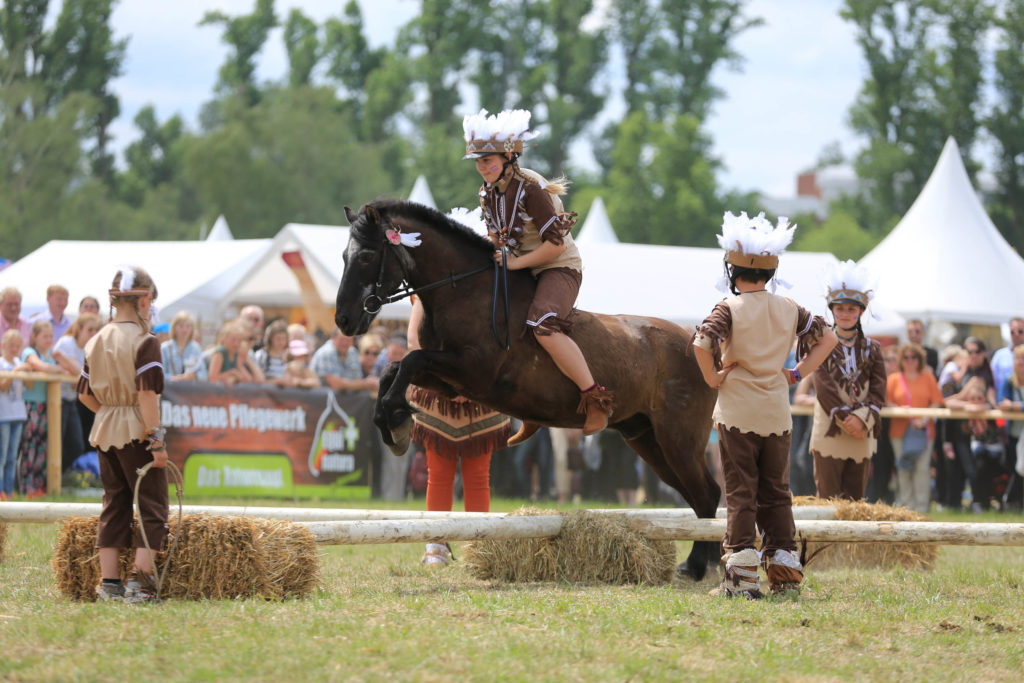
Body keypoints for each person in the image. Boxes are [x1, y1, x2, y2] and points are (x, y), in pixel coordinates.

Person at [692, 211, 836, 598]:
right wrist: (796, 372)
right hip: (777, 412)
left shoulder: (728, 307)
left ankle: (741, 580)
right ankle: (785, 576)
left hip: (737, 413)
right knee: (776, 493)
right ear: (769, 273)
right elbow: (828, 339)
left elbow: (701, 343)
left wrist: (712, 378)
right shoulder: (790, 307)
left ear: (732, 270)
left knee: (741, 494)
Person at [462, 108, 612, 444]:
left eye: (489, 160)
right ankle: (531, 412)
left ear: (509, 157)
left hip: (559, 267)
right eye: (478, 161)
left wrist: (513, 265)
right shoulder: (487, 194)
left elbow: (555, 247)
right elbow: (497, 237)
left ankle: (596, 399)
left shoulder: (532, 189)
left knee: (542, 325)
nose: (483, 167)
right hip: (525, 265)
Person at [77, 266, 167, 603]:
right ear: (144, 299)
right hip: (137, 430)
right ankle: (140, 585)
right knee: (152, 505)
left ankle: (109, 584)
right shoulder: (145, 342)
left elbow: (84, 393)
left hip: (105, 429)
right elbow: (146, 394)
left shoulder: (96, 339)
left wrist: (110, 414)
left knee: (113, 504)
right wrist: (156, 440)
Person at [406, 298, 511, 565]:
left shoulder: (488, 289)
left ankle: (477, 549)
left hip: (480, 392)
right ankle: (438, 547)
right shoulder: (426, 294)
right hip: (440, 392)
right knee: (441, 474)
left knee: (475, 476)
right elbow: (413, 343)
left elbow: (501, 343)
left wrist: (469, 385)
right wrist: (446, 386)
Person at [809, 260, 887, 501]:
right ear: (832, 310)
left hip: (861, 430)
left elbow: (879, 388)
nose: (845, 314)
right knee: (828, 499)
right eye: (840, 309)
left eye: (851, 310)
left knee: (855, 501)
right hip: (831, 427)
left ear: (861, 312)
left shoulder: (873, 348)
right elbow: (823, 387)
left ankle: (852, 542)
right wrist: (845, 418)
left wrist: (862, 420)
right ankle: (827, 542)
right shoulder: (820, 343)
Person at [886, 343, 944, 513]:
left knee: (922, 469)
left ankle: (921, 509)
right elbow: (887, 401)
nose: (910, 361)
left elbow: (936, 401)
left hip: (924, 432)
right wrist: (899, 410)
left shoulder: (928, 378)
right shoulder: (894, 378)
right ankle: (906, 508)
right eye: (906, 357)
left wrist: (924, 419)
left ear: (920, 360)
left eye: (914, 357)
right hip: (899, 431)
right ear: (900, 360)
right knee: (903, 468)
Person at [940, 336, 996, 510]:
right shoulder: (958, 372)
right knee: (958, 470)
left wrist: (980, 405)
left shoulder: (985, 375)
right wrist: (968, 404)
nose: (972, 355)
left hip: (980, 432)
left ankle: (980, 503)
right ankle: (956, 504)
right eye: (968, 351)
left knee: (977, 469)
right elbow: (948, 400)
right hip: (957, 429)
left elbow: (992, 402)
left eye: (976, 351)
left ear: (983, 353)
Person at [18, 320, 65, 496]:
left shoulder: (52, 354)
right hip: (31, 406)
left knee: (44, 447)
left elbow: (73, 369)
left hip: (48, 406)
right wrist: (58, 368)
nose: (48, 339)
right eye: (44, 336)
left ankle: (40, 488)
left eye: (50, 336)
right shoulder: (29, 352)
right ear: (34, 337)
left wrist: (61, 363)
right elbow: (41, 366)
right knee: (30, 446)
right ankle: (27, 488)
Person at [52, 313, 101, 472]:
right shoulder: (67, 342)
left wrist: (71, 367)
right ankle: (51, 481)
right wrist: (76, 372)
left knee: (76, 446)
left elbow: (81, 377)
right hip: (56, 400)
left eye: (96, 330)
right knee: (55, 443)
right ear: (79, 330)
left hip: (70, 399)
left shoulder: (88, 350)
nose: (94, 333)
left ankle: (60, 477)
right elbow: (83, 377)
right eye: (90, 329)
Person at [865, 345, 898, 504]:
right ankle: (875, 499)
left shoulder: (901, 379)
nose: (889, 363)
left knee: (895, 464)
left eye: (893, 360)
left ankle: (889, 498)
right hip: (879, 428)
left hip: (899, 428)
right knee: (879, 465)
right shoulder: (876, 378)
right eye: (886, 360)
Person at [0, 330, 29, 499]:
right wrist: (18, 370)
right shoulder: (2, 363)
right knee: (2, 457)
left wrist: (28, 370)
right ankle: (2, 491)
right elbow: (3, 386)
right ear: (3, 345)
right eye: (11, 345)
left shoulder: (19, 361)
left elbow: (30, 384)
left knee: (12, 457)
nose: (14, 349)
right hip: (3, 416)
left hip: (18, 414)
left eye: (17, 346)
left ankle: (9, 493)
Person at [997, 345, 1024, 511]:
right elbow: (1001, 402)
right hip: (1013, 434)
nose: (1020, 362)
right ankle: (1014, 503)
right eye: (1018, 358)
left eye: (1023, 358)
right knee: (1016, 468)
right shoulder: (1008, 381)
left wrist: (1014, 405)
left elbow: (1008, 404)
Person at [311, 328, 378, 393]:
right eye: (342, 339)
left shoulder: (352, 352)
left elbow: (357, 379)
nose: (345, 343)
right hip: (320, 401)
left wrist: (366, 383)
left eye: (348, 339)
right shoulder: (326, 352)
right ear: (333, 338)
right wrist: (364, 384)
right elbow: (335, 384)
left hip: (343, 401)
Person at [208, 320, 264, 386]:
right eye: (233, 340)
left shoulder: (237, 354)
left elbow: (247, 379)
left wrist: (234, 377)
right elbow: (213, 378)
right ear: (223, 339)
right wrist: (232, 373)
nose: (236, 343)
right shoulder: (220, 353)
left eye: (239, 340)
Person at [161, 311, 207, 382]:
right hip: (170, 391)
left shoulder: (196, 348)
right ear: (174, 328)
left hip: (189, 391)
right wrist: (178, 378)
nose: (184, 330)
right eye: (181, 326)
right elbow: (159, 375)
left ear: (192, 329)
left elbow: (203, 375)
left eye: (188, 326)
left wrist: (193, 376)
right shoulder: (165, 348)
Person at [992, 317, 1024, 402]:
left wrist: (1017, 406)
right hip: (1005, 403)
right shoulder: (1000, 355)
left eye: (1020, 331)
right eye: (1012, 332)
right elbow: (993, 382)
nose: (1016, 334)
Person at [254, 320, 290, 384]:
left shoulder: (289, 356)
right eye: (278, 338)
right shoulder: (261, 356)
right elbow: (257, 380)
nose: (281, 342)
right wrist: (278, 381)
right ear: (271, 339)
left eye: (283, 339)